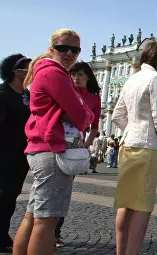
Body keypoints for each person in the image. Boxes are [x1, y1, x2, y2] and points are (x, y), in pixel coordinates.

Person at [14, 29, 94, 255]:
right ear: (51, 49)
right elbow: (81, 115)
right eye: (63, 48)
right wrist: (83, 113)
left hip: (43, 148)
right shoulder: (54, 73)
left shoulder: (47, 70)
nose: (69, 53)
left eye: (75, 50)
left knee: (33, 215)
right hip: (53, 149)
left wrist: (75, 112)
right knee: (47, 220)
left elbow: (75, 112)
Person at [112, 39, 157, 255]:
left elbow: (118, 115)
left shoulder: (132, 79)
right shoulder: (156, 79)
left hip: (128, 144)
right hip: (146, 146)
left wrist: (131, 129)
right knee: (143, 206)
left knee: (125, 203)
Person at [55, 62, 103, 248]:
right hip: (56, 139)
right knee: (51, 187)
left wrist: (86, 145)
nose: (76, 78)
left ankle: (55, 233)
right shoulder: (66, 93)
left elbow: (95, 126)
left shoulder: (93, 99)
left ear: (88, 77)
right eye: (73, 74)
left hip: (75, 144)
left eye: (80, 74)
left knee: (64, 189)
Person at [0, 54, 31, 253]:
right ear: (16, 72)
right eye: (27, 69)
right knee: (3, 196)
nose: (31, 73)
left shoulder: (27, 95)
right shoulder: (3, 94)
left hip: (22, 154)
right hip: (4, 153)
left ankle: (3, 234)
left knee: (11, 196)